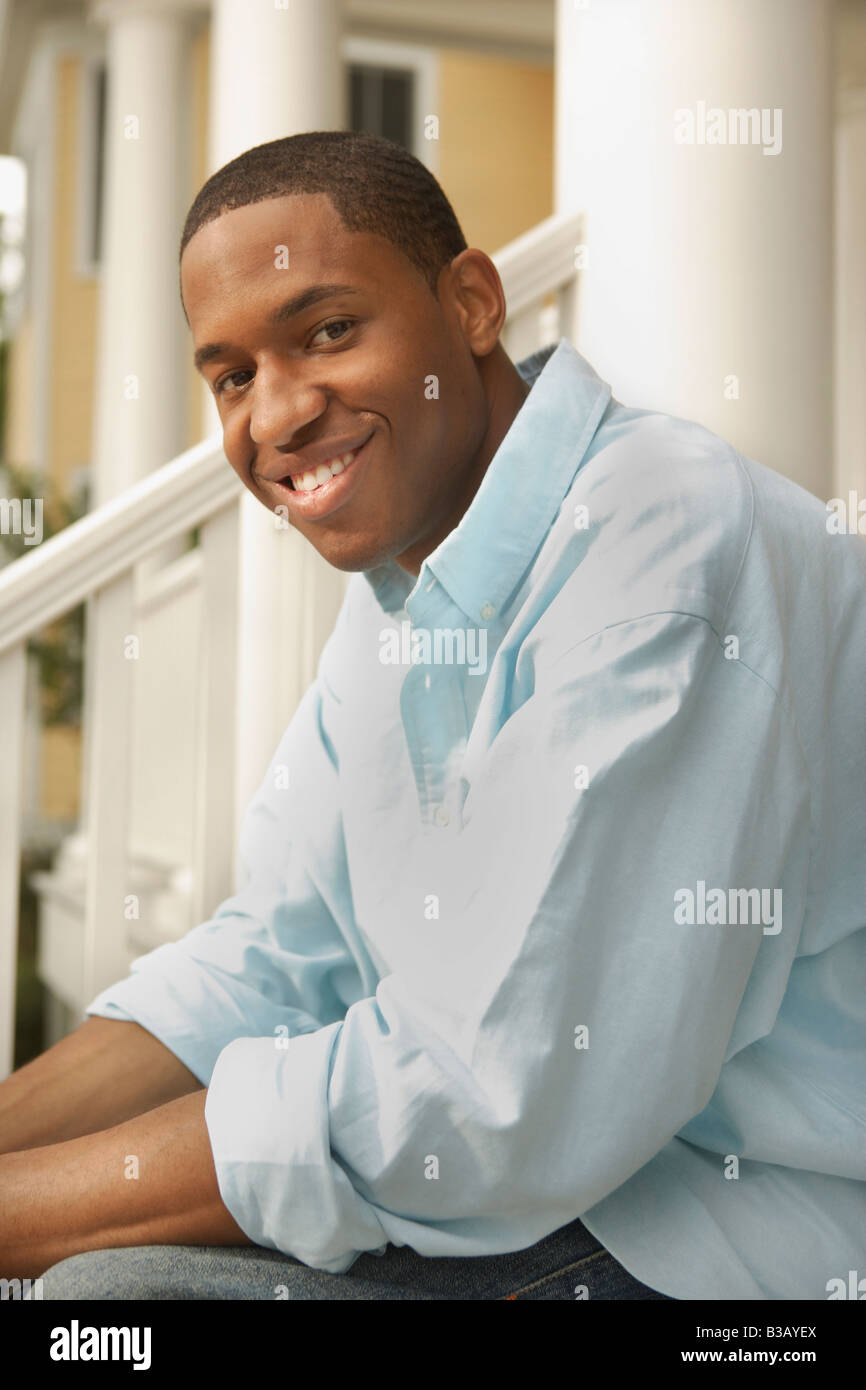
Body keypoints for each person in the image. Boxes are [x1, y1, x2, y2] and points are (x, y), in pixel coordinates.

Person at [2, 131, 863, 1302]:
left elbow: (487, 1096)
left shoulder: (659, 552)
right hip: (547, 1197)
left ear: (468, 302)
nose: (279, 413)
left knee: (103, 1310)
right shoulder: (409, 590)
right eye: (232, 375)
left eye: (327, 331)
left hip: (731, 1232)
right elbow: (273, 959)